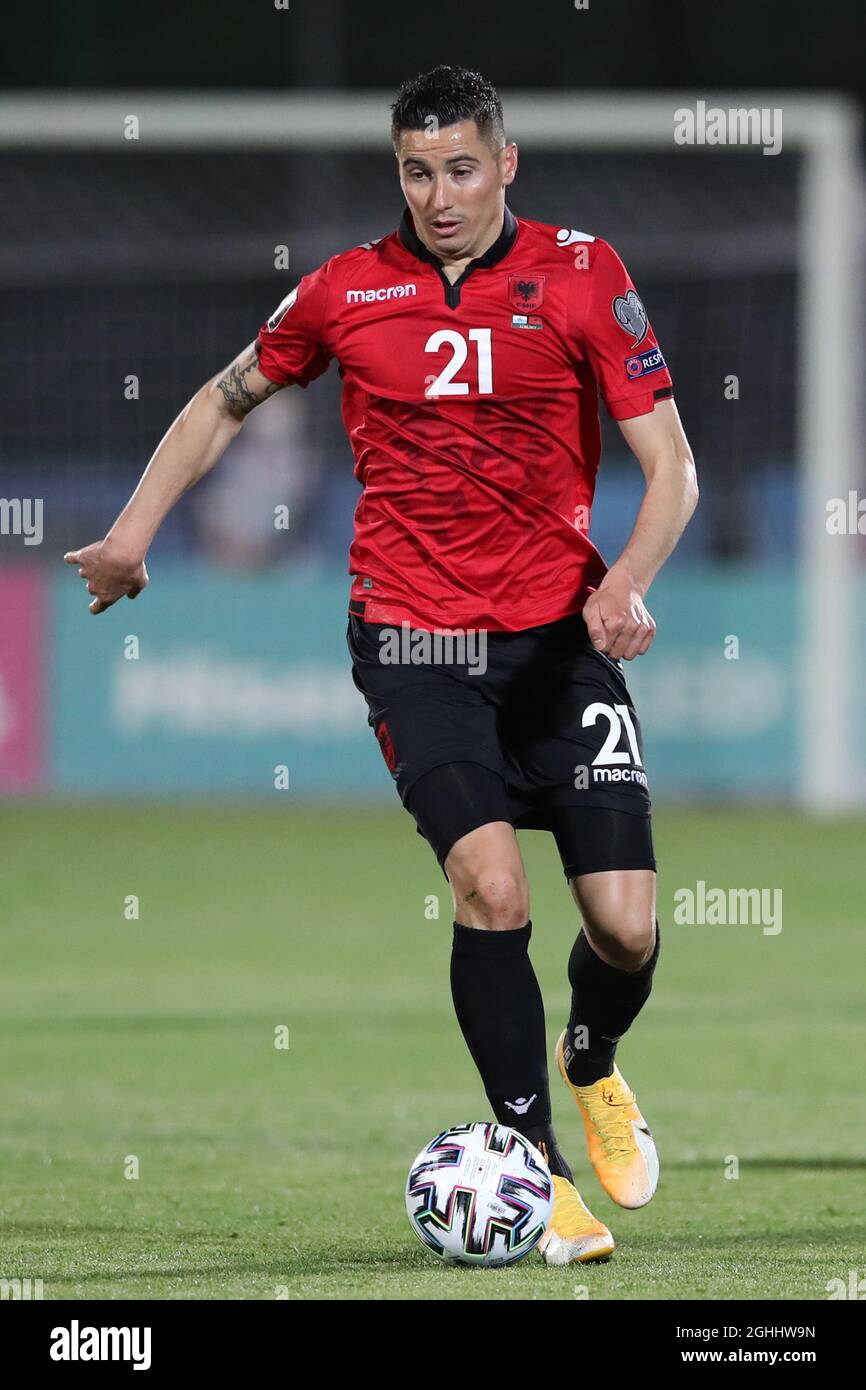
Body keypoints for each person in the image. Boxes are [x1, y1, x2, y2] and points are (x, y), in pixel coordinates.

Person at [65, 65, 698, 1265]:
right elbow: (220, 397)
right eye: (416, 172)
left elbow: (671, 468)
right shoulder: (346, 291)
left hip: (558, 643)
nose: (440, 195)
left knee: (622, 930)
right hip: (411, 644)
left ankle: (592, 1063)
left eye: (461, 168)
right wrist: (136, 535)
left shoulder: (580, 272)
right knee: (490, 891)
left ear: (505, 163)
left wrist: (626, 582)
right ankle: (538, 1174)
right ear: (395, 174)